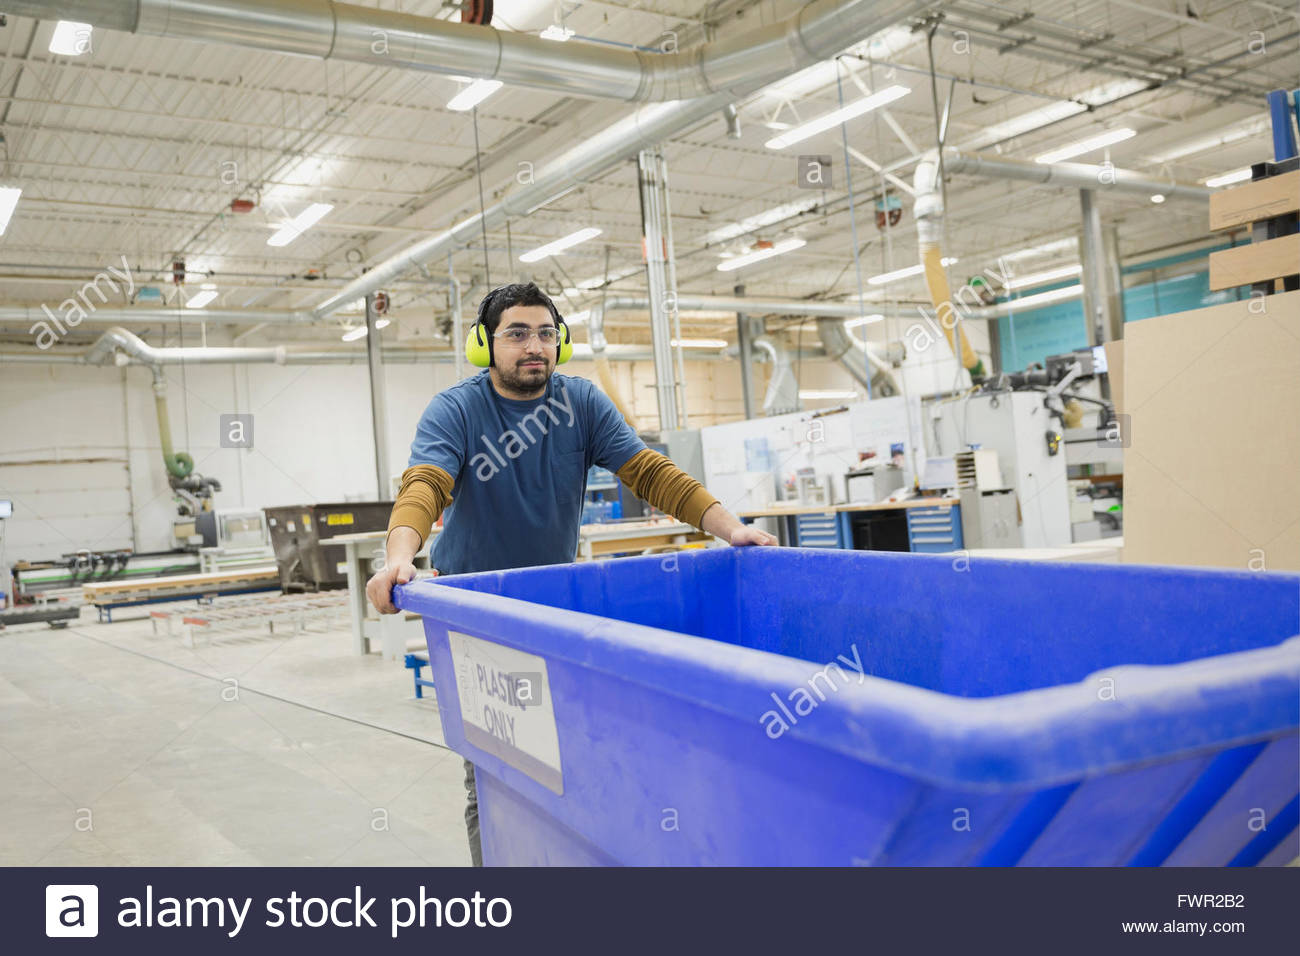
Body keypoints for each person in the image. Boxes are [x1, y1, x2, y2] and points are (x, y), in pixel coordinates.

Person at [366, 281, 777, 866]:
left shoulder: (580, 402)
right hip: (474, 609)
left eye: (545, 333)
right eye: (516, 333)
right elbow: (425, 485)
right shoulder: (456, 409)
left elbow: (650, 474)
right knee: (491, 767)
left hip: (553, 603)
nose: (534, 346)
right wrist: (400, 555)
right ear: (484, 344)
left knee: (566, 754)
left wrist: (729, 527)